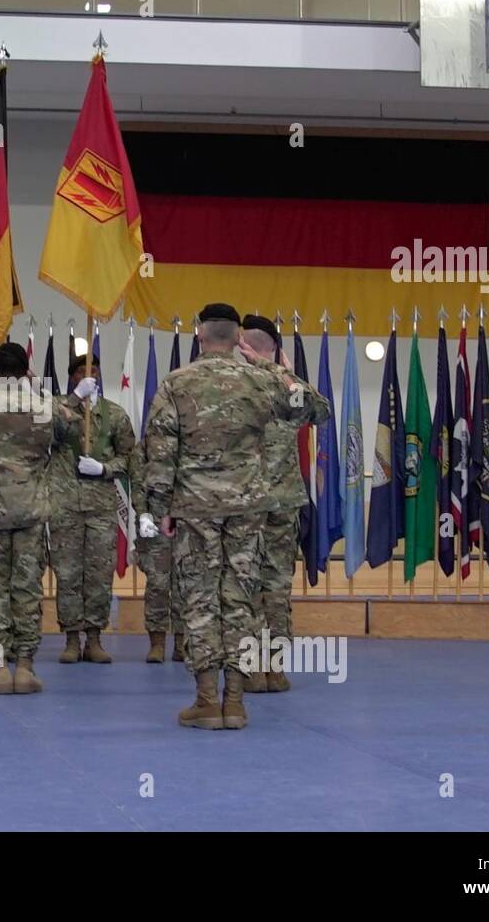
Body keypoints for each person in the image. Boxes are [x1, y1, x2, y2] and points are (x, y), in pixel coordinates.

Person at [142, 304, 329, 731]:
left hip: (195, 510)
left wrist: (160, 510)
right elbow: (317, 409)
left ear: (199, 334)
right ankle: (236, 702)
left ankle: (207, 701)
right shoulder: (260, 379)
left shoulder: (177, 383)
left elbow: (159, 453)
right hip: (249, 510)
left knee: (202, 601)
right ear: (238, 337)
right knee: (242, 598)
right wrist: (274, 368)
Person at [0, 342, 81, 694]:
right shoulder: (41, 406)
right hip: (33, 510)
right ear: (26, 369)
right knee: (27, 590)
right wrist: (37, 387)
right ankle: (25, 667)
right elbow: (73, 431)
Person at [48, 353, 135, 664]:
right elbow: (47, 431)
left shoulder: (115, 415)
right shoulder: (56, 407)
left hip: (100, 506)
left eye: (94, 371)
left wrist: (104, 468)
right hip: (66, 505)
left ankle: (95, 637)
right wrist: (74, 399)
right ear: (72, 377)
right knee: (68, 574)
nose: (90, 376)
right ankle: (71, 638)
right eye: (82, 373)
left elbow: (129, 459)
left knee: (99, 574)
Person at [238, 314, 306, 693]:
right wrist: (285, 373)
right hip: (283, 502)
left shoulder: (237, 384)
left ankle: (250, 668)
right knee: (277, 587)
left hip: (245, 503)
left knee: (246, 586)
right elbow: (312, 407)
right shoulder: (288, 386)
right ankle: (275, 669)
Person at [128, 444, 183, 663]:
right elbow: (138, 484)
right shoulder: (144, 448)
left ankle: (182, 642)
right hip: (154, 522)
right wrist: (143, 514)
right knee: (157, 585)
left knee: (186, 584)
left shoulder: (187, 441)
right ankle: (157, 643)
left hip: (186, 519)